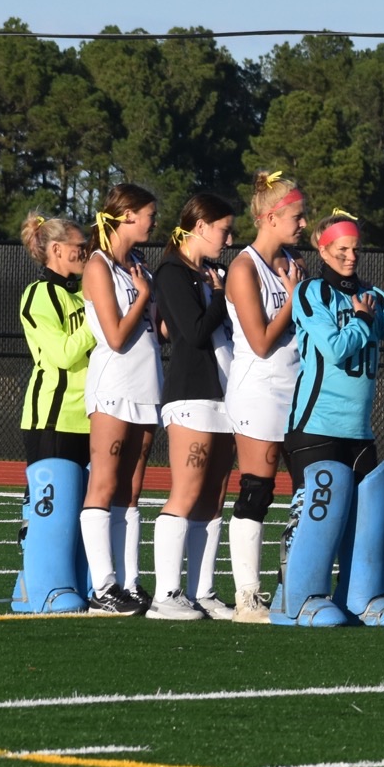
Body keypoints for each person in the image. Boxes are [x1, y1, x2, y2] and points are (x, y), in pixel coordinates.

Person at [274, 211, 384, 627]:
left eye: (355, 249)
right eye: (341, 250)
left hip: (358, 431)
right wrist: (365, 320)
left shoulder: (373, 294)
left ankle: (362, 595)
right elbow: (334, 348)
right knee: (318, 510)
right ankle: (293, 598)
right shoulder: (311, 292)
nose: (350, 257)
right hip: (315, 426)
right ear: (323, 248)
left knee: (370, 507)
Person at [222, 170, 308, 621]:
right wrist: (293, 300)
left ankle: (295, 586)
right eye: (296, 215)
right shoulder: (243, 267)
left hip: (297, 390)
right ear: (272, 217)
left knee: (307, 492)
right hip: (258, 391)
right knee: (257, 489)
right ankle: (247, 596)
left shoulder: (293, 262)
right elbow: (259, 341)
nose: (303, 224)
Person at [149, 193, 239, 620]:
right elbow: (195, 332)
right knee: (186, 491)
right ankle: (165, 594)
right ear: (200, 227)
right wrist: (221, 295)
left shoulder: (207, 272)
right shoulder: (171, 270)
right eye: (224, 228)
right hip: (191, 392)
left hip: (223, 392)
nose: (229, 237)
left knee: (214, 496)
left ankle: (203, 590)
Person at [78, 183, 161, 615]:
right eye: (148, 213)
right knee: (105, 482)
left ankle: (129, 583)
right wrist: (144, 295)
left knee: (132, 490)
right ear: (126, 215)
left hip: (146, 383)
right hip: (114, 386)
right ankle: (102, 588)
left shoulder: (137, 263)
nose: (153, 221)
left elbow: (154, 330)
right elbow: (113, 335)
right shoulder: (98, 265)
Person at [11, 213, 96, 614]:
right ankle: (44, 588)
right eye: (80, 246)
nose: (86, 252)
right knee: (52, 509)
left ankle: (56, 585)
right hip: (54, 416)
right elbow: (62, 354)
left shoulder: (82, 295)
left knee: (82, 512)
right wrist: (99, 316)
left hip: (91, 417)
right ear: (56, 250)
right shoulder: (39, 294)